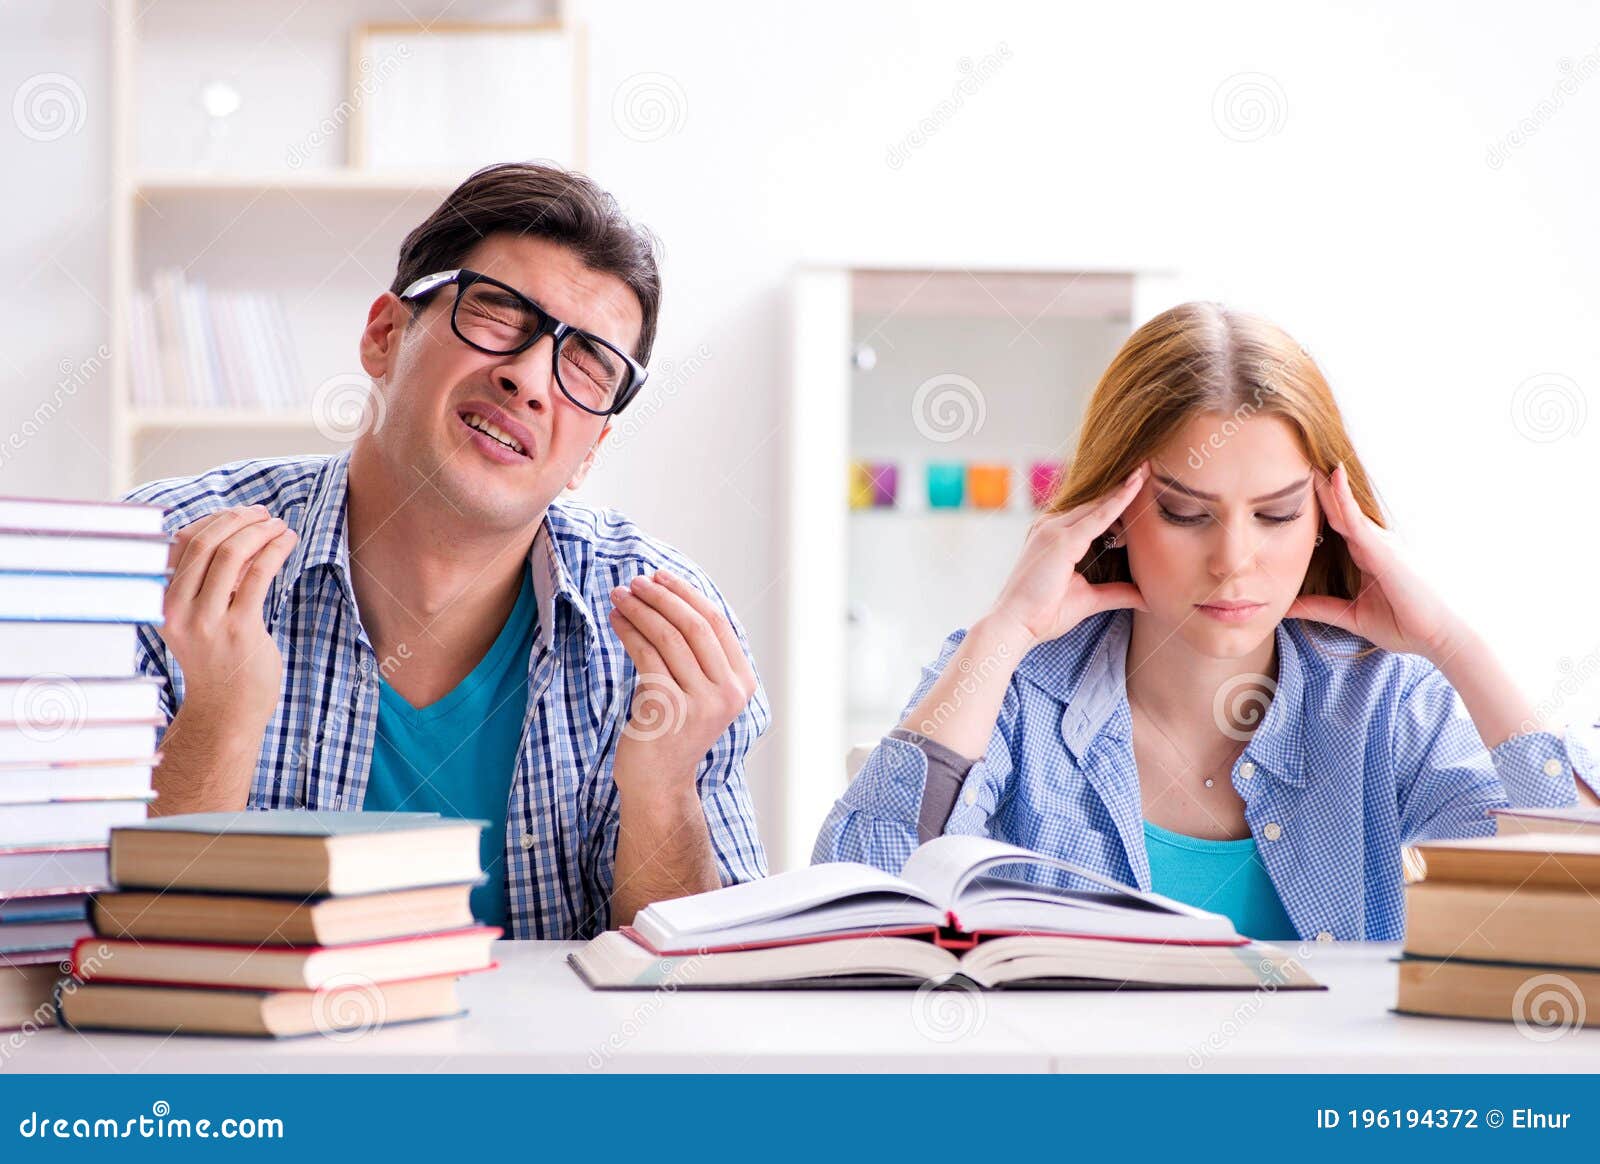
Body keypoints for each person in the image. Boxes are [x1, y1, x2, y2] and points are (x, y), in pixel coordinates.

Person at [813, 302, 1600, 942]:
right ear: (1112, 517)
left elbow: (1571, 903)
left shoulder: (1386, 704)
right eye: (1187, 514)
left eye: (1276, 514)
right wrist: (1000, 636)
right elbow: (856, 921)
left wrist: (1452, 644)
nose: (1233, 560)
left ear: (1327, 520)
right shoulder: (1012, 688)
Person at [125, 163, 766, 939]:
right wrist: (220, 721)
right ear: (384, 336)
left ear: (594, 444)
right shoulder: (153, 563)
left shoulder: (662, 634)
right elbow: (78, 971)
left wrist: (663, 788)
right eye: (498, 316)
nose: (529, 380)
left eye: (587, 366)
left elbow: (697, 997)